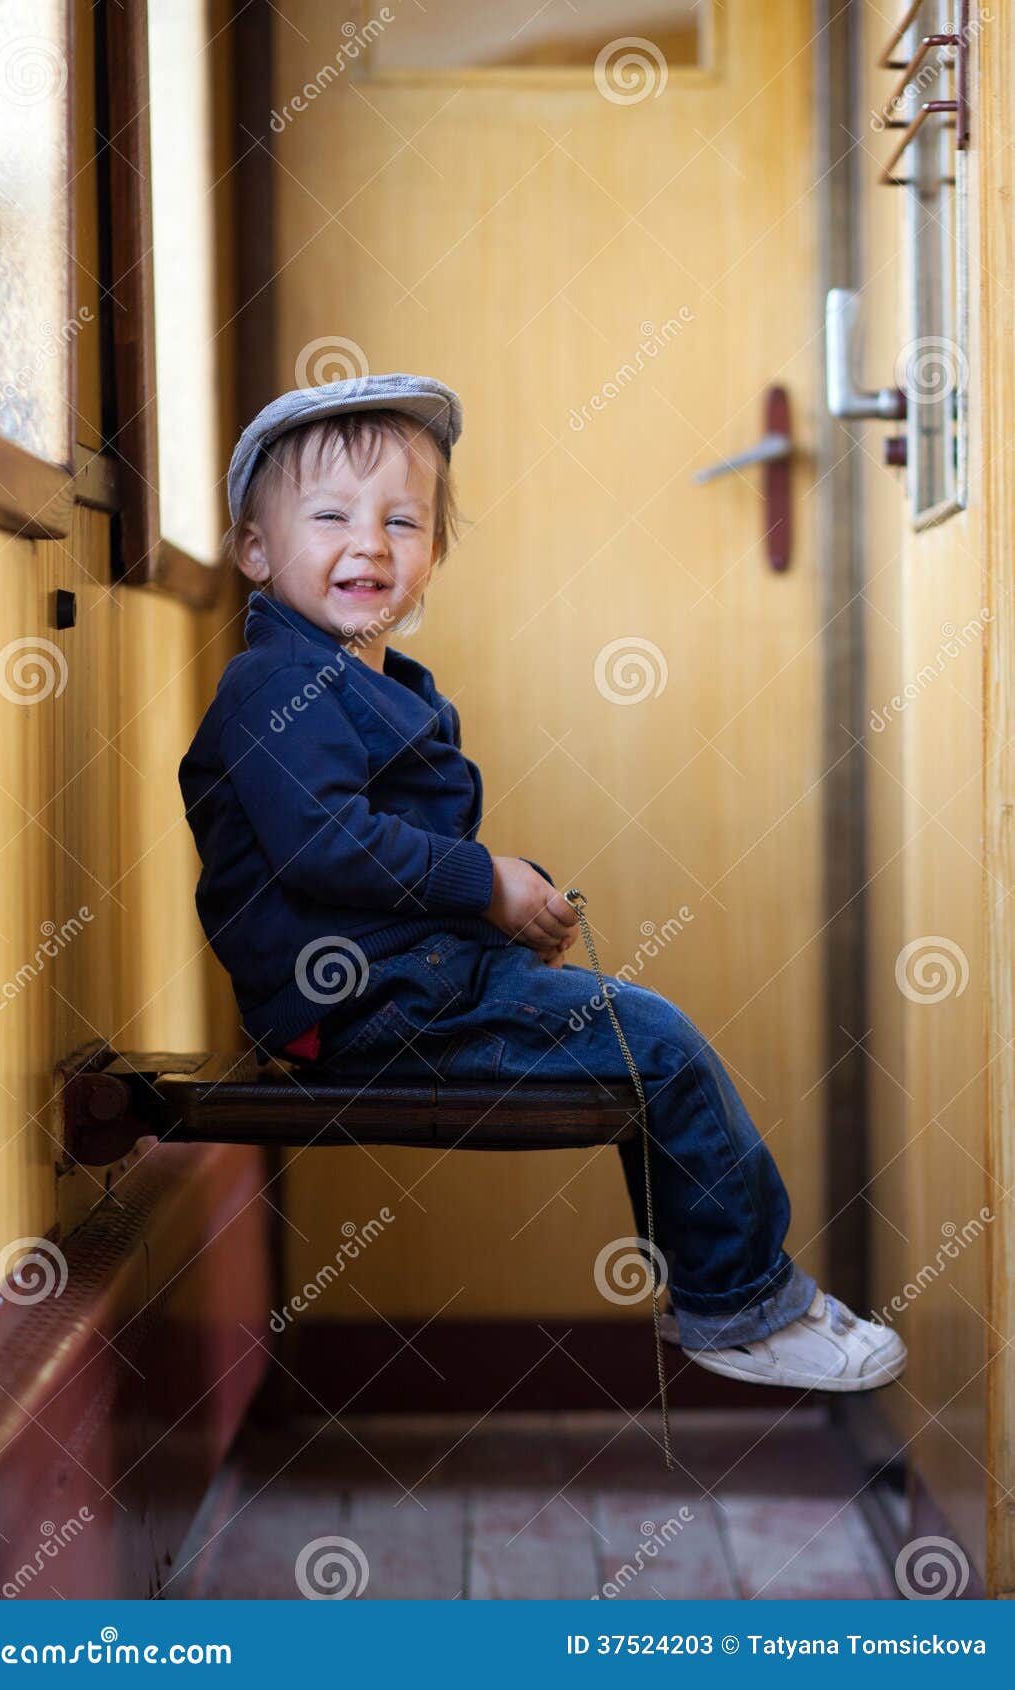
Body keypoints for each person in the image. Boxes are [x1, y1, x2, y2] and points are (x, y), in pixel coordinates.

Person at [178, 373, 906, 1394]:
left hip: (409, 978)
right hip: (363, 1000)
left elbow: (396, 856)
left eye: (404, 520)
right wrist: (487, 887)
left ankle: (729, 1292)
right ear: (255, 550)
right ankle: (742, 1305)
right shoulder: (275, 682)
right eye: (330, 516)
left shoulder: (376, 683)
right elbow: (324, 846)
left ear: (433, 553)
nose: (371, 543)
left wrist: (508, 909)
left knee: (644, 1044)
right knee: (657, 1045)